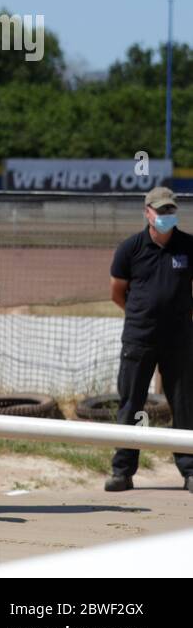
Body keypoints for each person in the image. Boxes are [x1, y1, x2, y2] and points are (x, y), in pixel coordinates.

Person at [105, 186, 193, 493]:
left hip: (180, 340)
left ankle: (190, 471)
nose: (166, 216)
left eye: (170, 210)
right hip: (139, 339)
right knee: (131, 405)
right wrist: (141, 316)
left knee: (185, 406)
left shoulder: (188, 246)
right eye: (160, 210)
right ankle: (122, 471)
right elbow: (117, 291)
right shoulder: (130, 248)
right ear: (147, 213)